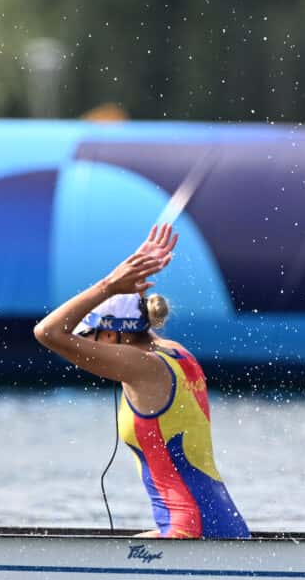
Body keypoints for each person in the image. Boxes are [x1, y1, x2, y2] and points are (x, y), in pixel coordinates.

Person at [33, 225, 250, 540]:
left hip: (190, 534)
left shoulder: (142, 367)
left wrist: (109, 286)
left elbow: (47, 332)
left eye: (90, 337)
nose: (85, 348)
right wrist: (131, 274)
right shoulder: (177, 354)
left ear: (111, 334)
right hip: (225, 528)